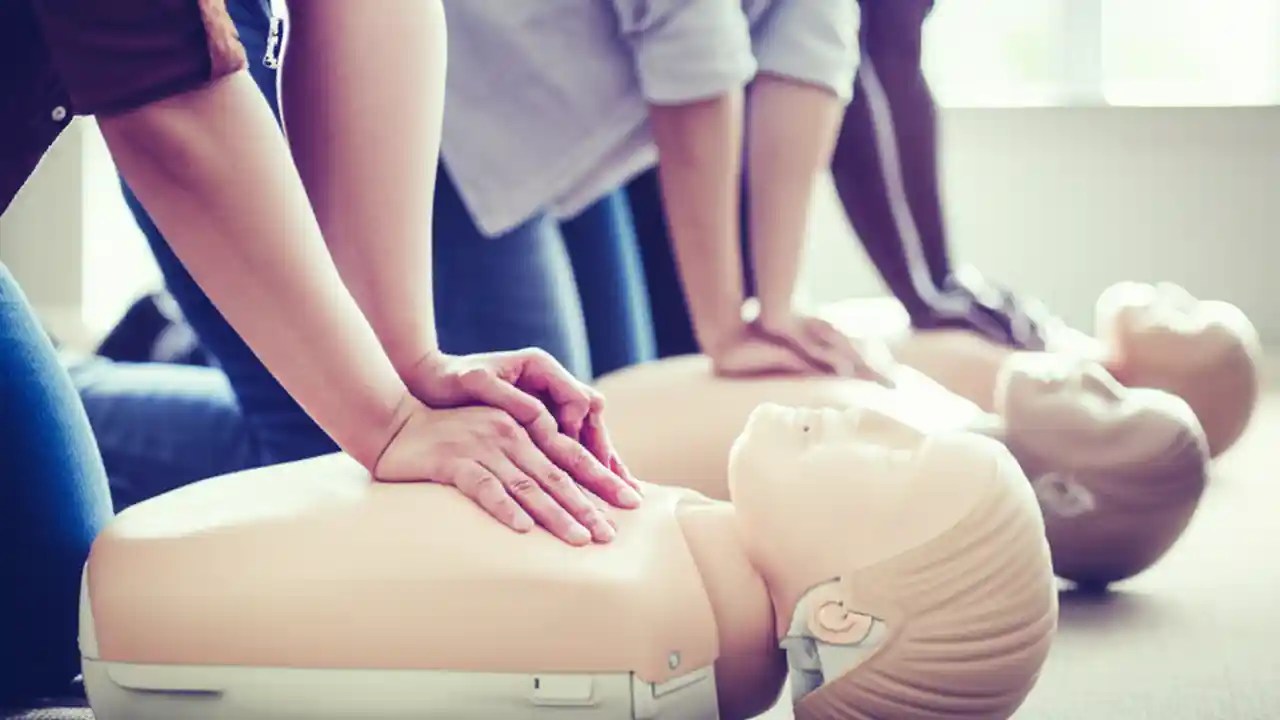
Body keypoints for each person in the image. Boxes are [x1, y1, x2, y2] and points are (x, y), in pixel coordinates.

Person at [1, 0, 638, 705]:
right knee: (42, 623)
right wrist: (387, 421)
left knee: (43, 613)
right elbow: (166, 105)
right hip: (179, 81)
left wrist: (408, 359)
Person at [78, 404, 1057, 720]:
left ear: (836, 620)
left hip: (123, 607)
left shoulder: (631, 628)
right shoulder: (657, 557)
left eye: (890, 460)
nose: (864, 419)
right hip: (153, 569)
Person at [627, 0, 1058, 356]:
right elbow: (697, 46)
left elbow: (863, 51)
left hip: (649, 140)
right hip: (655, 149)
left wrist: (938, 282)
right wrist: (724, 329)